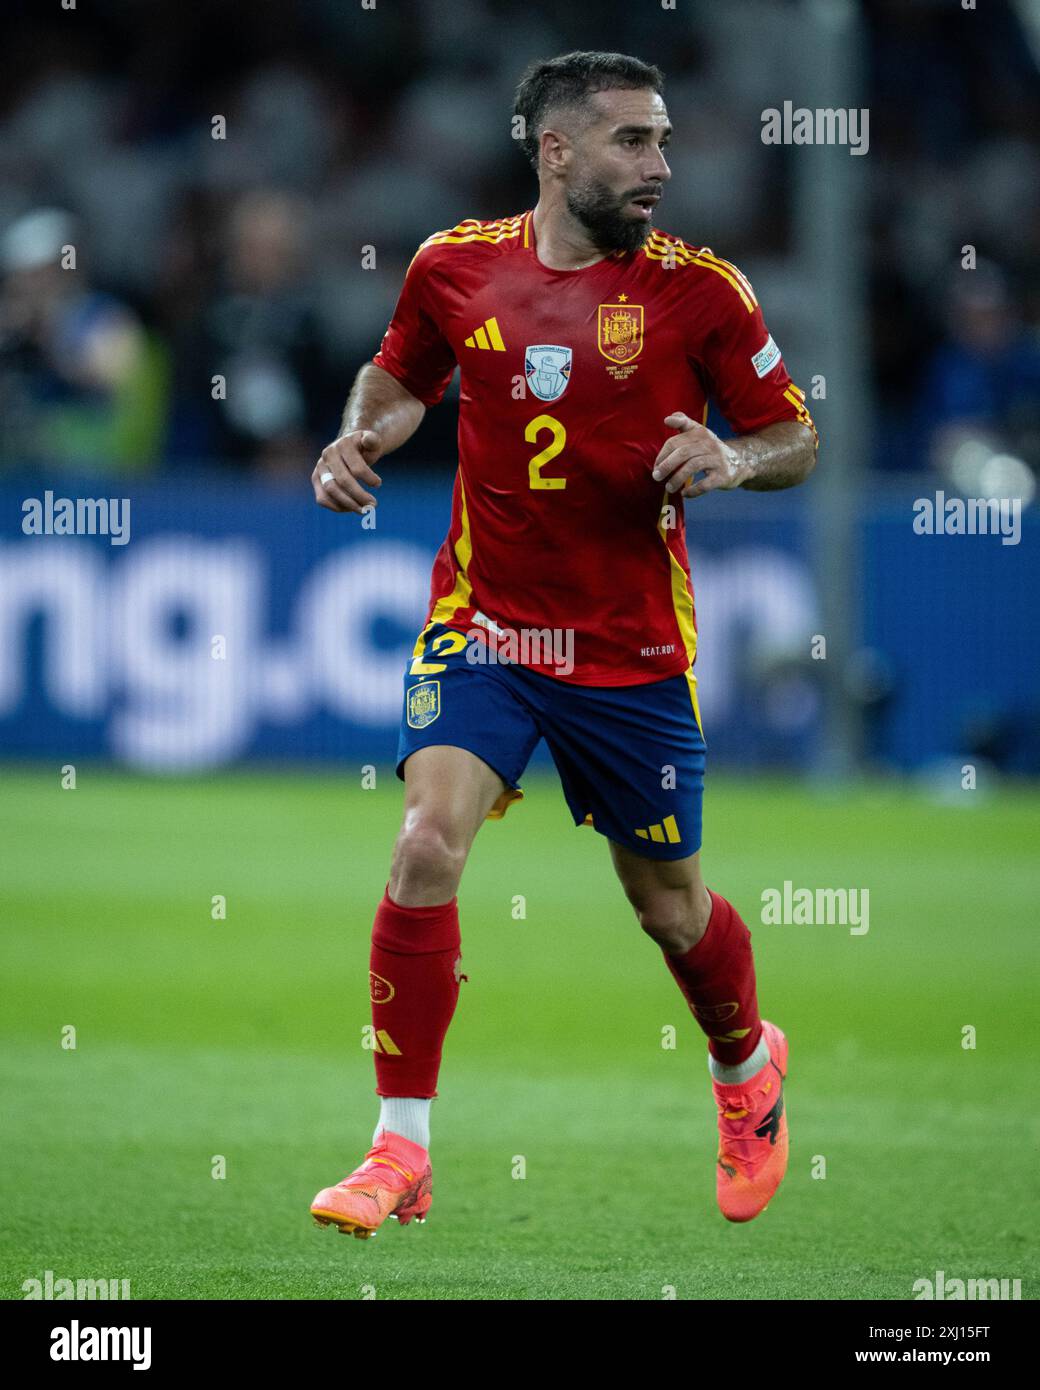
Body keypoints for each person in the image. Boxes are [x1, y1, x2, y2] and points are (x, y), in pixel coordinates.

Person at [309, 51, 817, 1238]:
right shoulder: (453, 266)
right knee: (425, 842)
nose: (660, 166)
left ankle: (745, 1065)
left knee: (668, 908)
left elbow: (791, 433)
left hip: (630, 651)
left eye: (661, 141)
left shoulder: (701, 294)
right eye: (633, 142)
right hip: (483, 628)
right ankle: (401, 1149)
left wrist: (734, 461)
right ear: (554, 151)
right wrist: (358, 438)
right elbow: (397, 377)